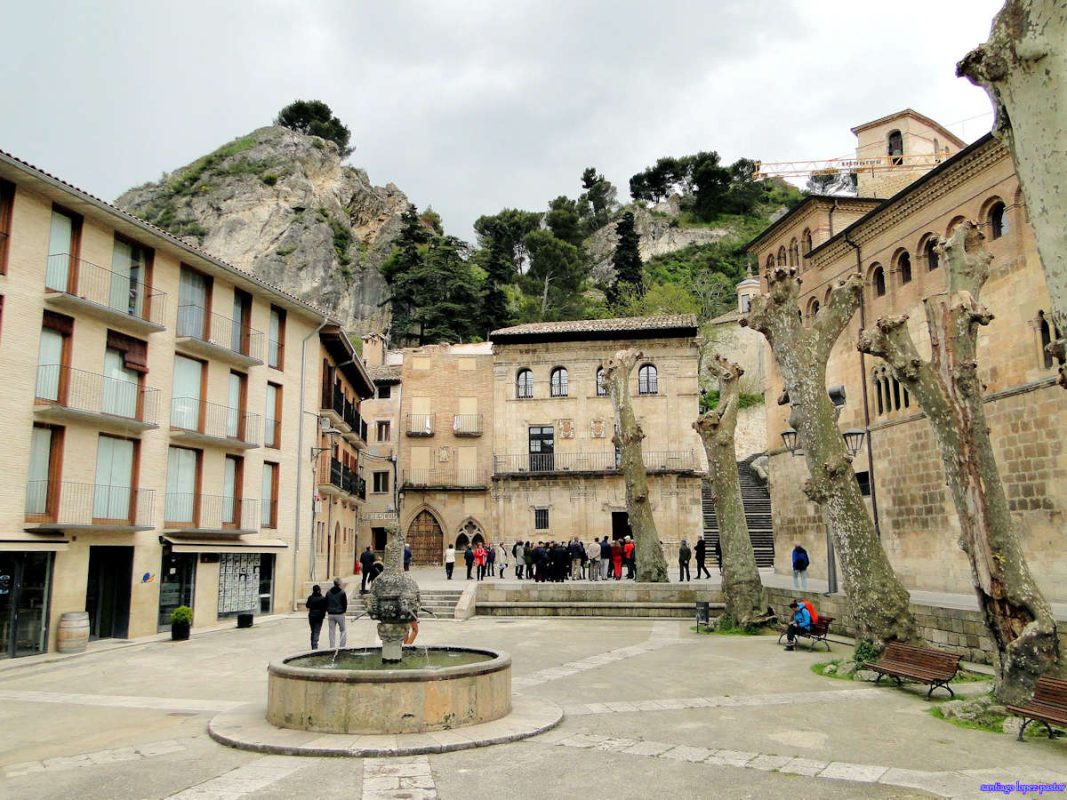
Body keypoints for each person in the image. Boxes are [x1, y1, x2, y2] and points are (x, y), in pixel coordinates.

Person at [326, 577, 348, 649]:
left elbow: (326, 602)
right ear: (340, 583)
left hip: (331, 613)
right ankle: (342, 646)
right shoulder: (342, 592)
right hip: (340, 613)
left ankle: (332, 647)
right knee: (343, 630)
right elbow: (345, 603)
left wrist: (328, 610)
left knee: (331, 631)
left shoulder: (328, 592)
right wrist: (344, 611)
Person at [306, 584, 327, 650]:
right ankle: (314, 645)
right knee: (316, 631)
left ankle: (313, 643)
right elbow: (325, 607)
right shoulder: (322, 598)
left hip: (311, 616)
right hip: (319, 616)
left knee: (313, 631)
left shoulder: (310, 597)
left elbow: (307, 605)